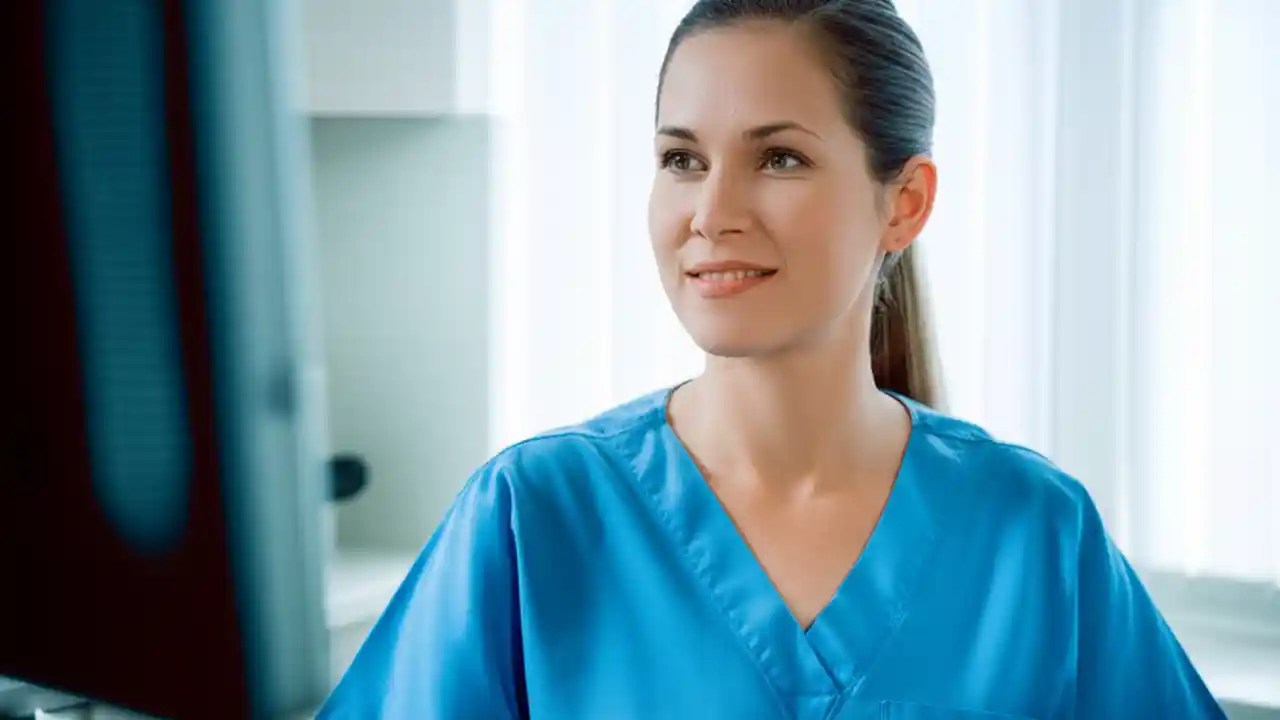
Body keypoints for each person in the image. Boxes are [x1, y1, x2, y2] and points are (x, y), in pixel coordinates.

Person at [318, 1, 1224, 717]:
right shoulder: (533, 519)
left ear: (904, 203)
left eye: (780, 158)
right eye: (681, 159)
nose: (712, 212)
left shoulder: (1034, 533)